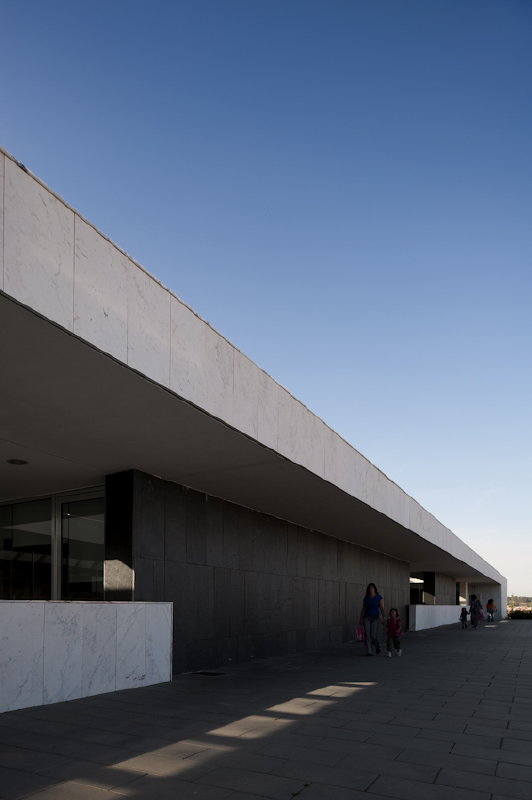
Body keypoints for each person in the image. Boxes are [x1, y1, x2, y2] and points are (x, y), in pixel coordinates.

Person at [359, 582, 385, 656]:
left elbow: (382, 608)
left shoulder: (379, 597)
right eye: (369, 588)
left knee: (373, 635)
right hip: (366, 618)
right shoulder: (366, 598)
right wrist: (360, 619)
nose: (370, 589)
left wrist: (384, 617)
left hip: (375, 618)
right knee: (367, 635)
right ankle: (369, 651)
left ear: (374, 589)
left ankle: (377, 646)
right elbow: (363, 608)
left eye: (371, 588)